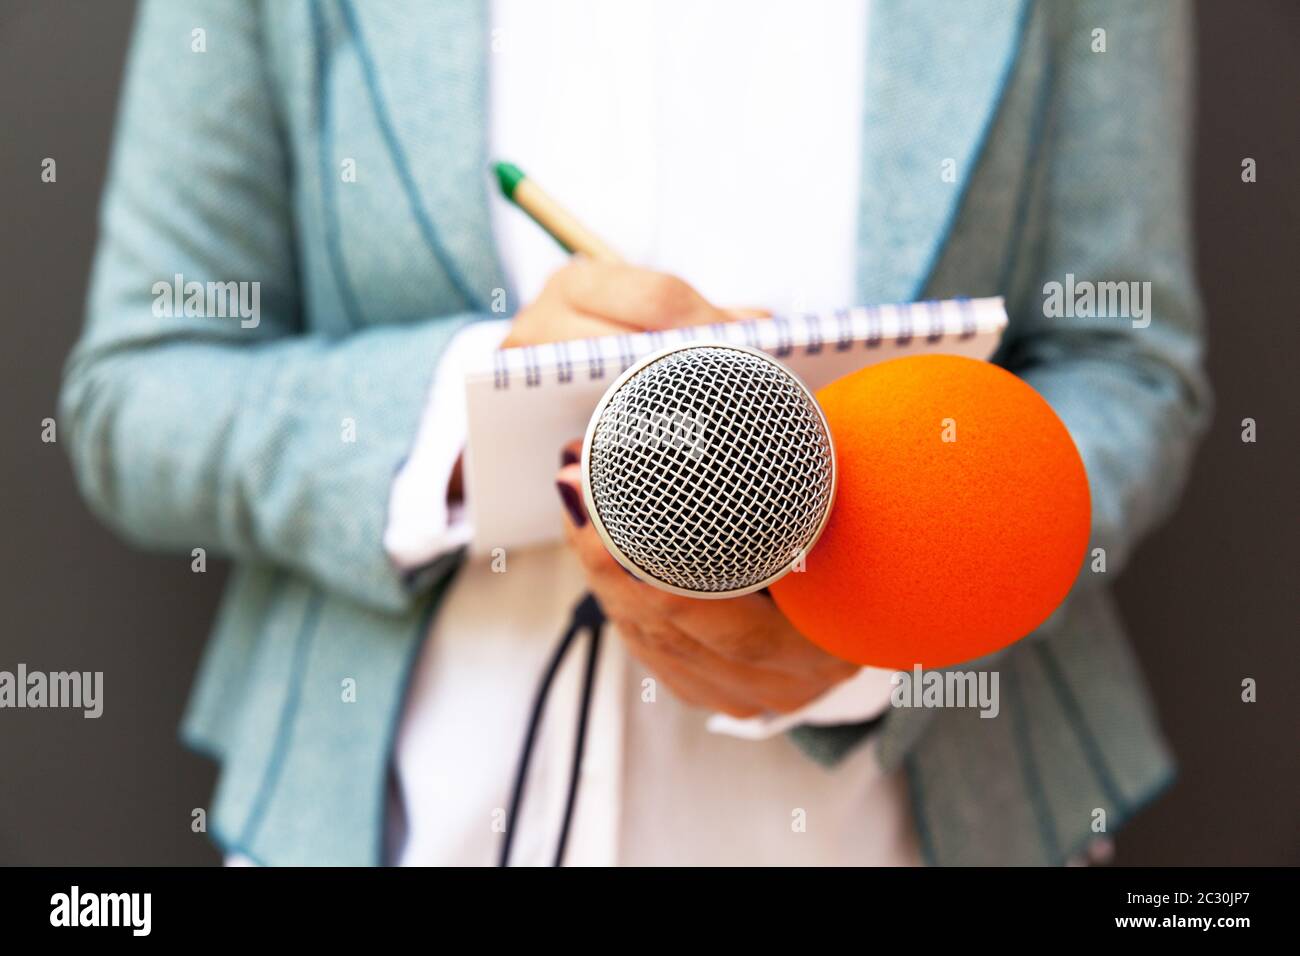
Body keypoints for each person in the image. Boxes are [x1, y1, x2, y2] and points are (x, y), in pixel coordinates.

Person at [61, 0, 1209, 865]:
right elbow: (137, 391)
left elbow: (1125, 368)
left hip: (917, 815)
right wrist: (483, 404)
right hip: (407, 814)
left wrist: (878, 621)